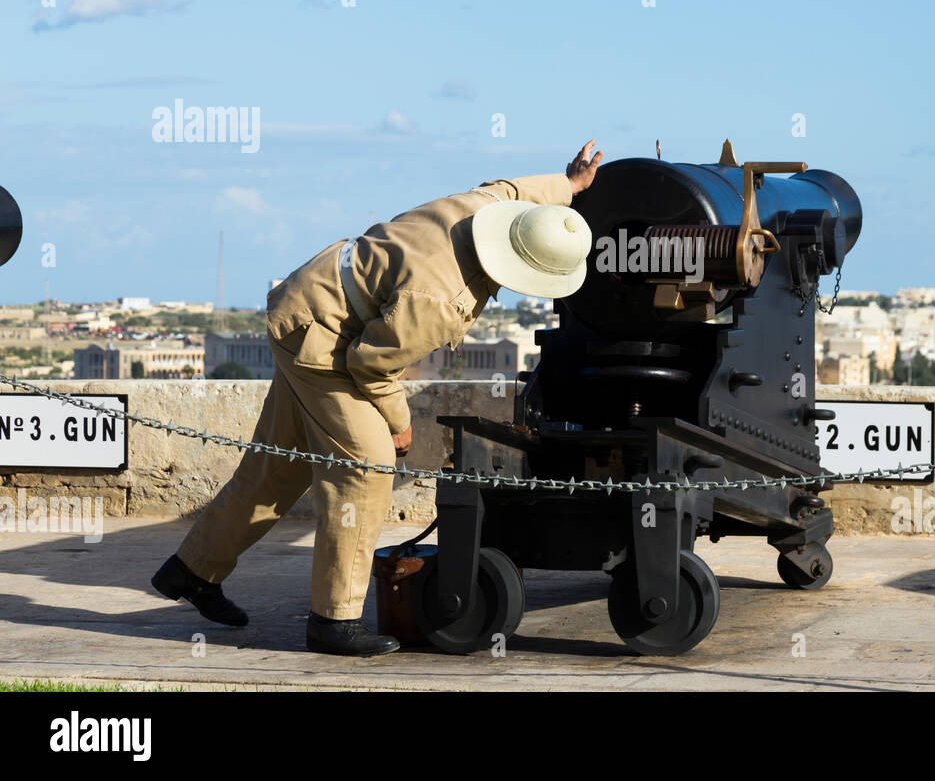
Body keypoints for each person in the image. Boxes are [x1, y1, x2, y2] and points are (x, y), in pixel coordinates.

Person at [151, 141, 604, 656]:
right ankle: (333, 621)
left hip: (310, 300)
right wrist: (399, 422)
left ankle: (190, 571)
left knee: (279, 467)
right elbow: (370, 363)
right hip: (322, 336)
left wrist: (568, 185)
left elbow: (519, 189)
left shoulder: (485, 209)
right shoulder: (441, 298)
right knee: (367, 465)